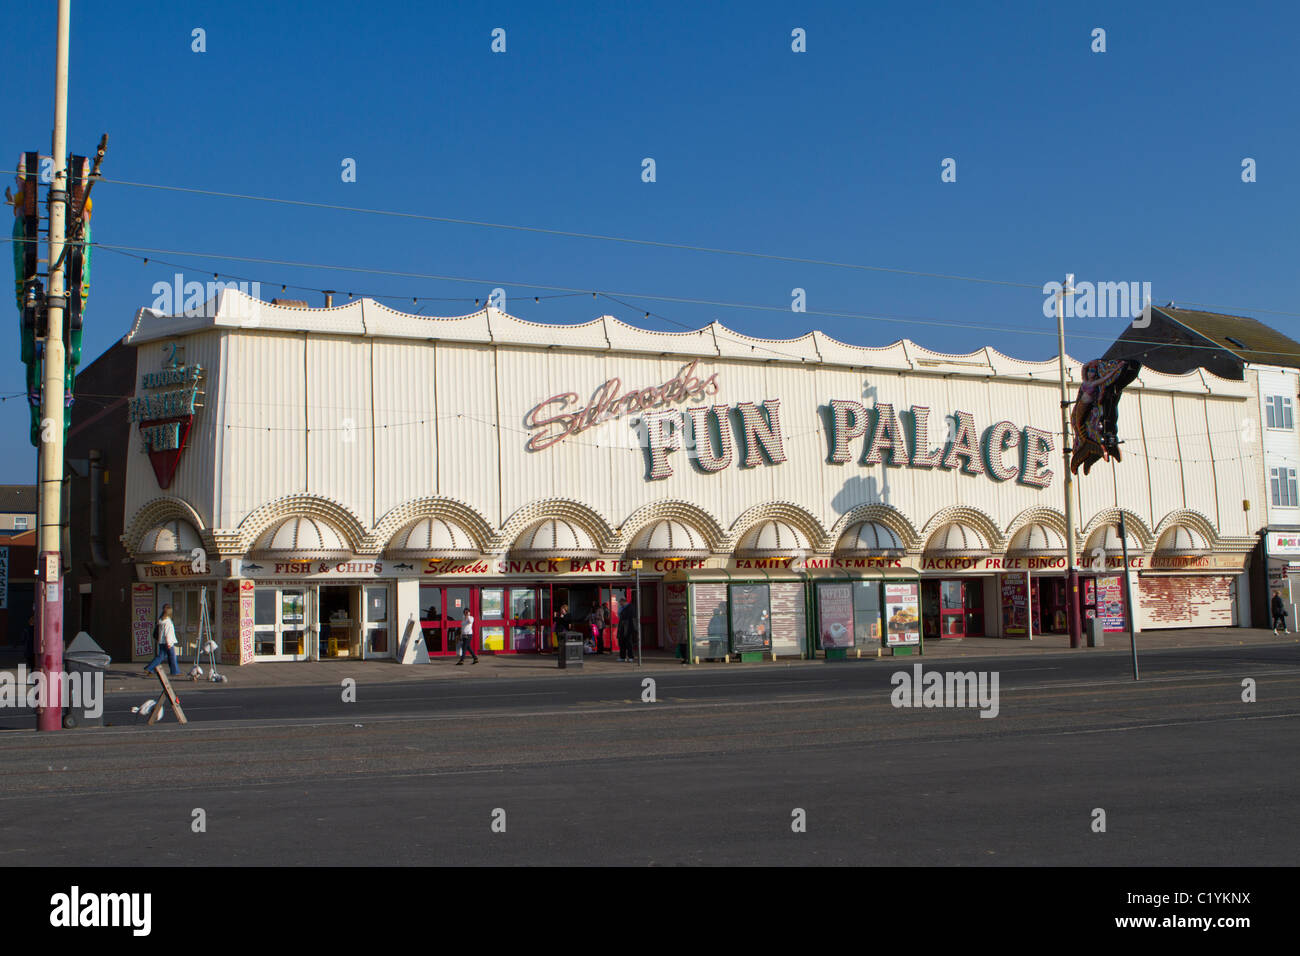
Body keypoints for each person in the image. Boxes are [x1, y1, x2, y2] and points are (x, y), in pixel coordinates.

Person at [143, 604, 181, 676]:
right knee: (170, 657)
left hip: (161, 641)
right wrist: (169, 643)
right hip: (167, 642)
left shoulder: (161, 621)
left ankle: (150, 669)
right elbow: (167, 634)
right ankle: (149, 668)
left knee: (163, 656)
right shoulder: (168, 622)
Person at [617, 597, 638, 662]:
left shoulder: (630, 607)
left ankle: (631, 656)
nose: (620, 603)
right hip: (622, 626)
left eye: (620, 602)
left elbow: (632, 618)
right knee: (621, 642)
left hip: (628, 627)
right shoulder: (622, 608)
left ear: (624, 601)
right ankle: (622, 657)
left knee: (629, 642)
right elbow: (619, 616)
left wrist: (633, 628)